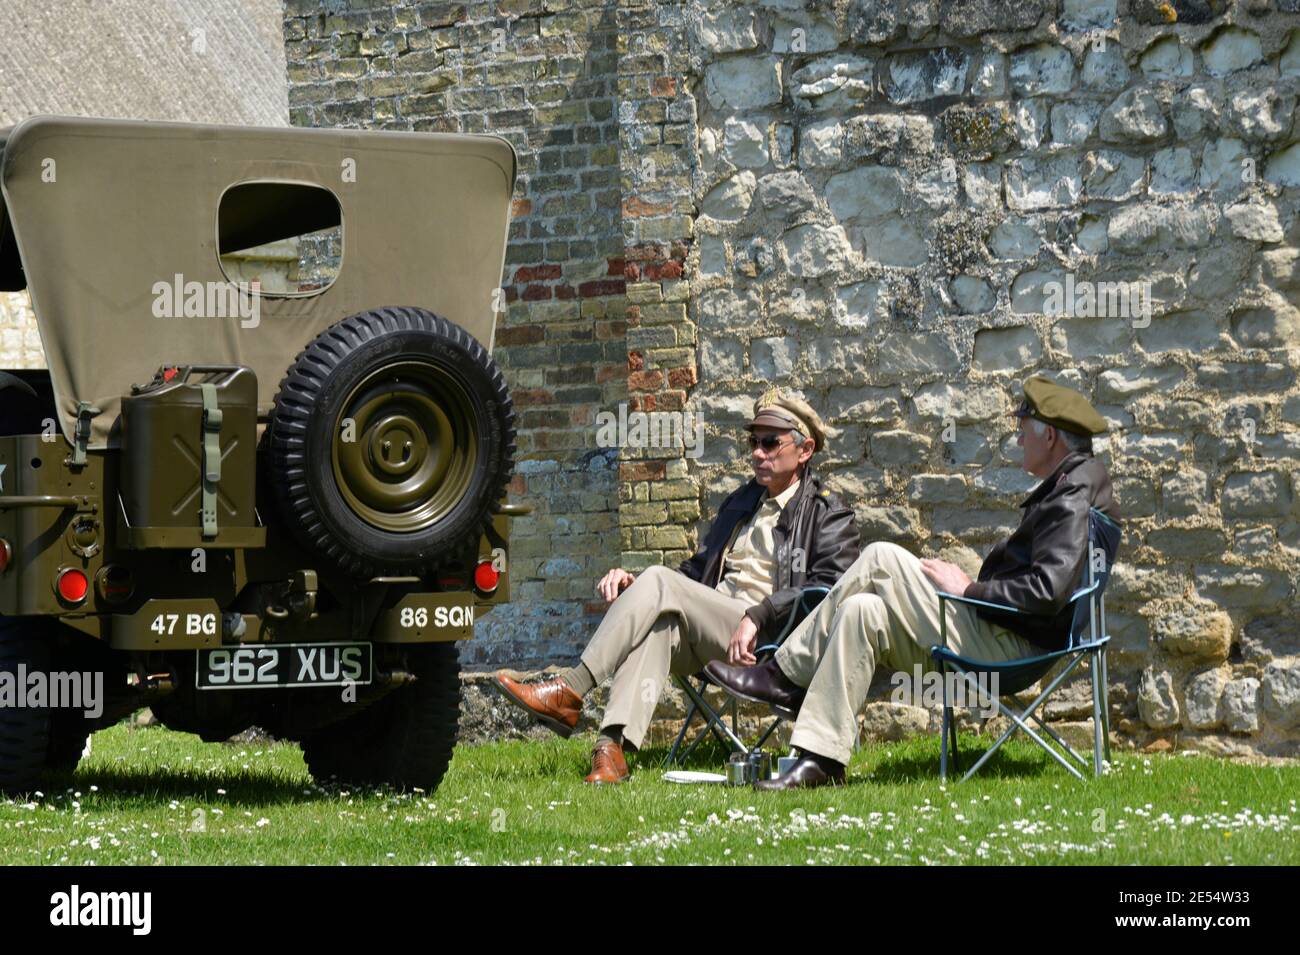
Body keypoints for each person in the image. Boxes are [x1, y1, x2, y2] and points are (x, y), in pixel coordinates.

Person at [704, 375, 1120, 790]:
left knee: (881, 556)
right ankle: (821, 760)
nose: (1016, 441)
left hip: (1012, 650)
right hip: (1001, 635)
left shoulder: (1071, 496)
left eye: (1022, 431)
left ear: (1048, 435)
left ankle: (784, 674)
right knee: (859, 611)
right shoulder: (1073, 488)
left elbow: (1045, 593)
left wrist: (966, 589)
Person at [492, 389, 861, 783]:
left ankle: (571, 689)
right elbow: (695, 572)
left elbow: (829, 591)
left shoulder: (828, 513)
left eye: (770, 442)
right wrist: (639, 590)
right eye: (753, 441)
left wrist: (760, 614)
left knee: (659, 585)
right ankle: (611, 751)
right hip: (715, 631)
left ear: (804, 450)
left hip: (773, 642)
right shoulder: (741, 502)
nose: (757, 452)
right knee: (659, 623)